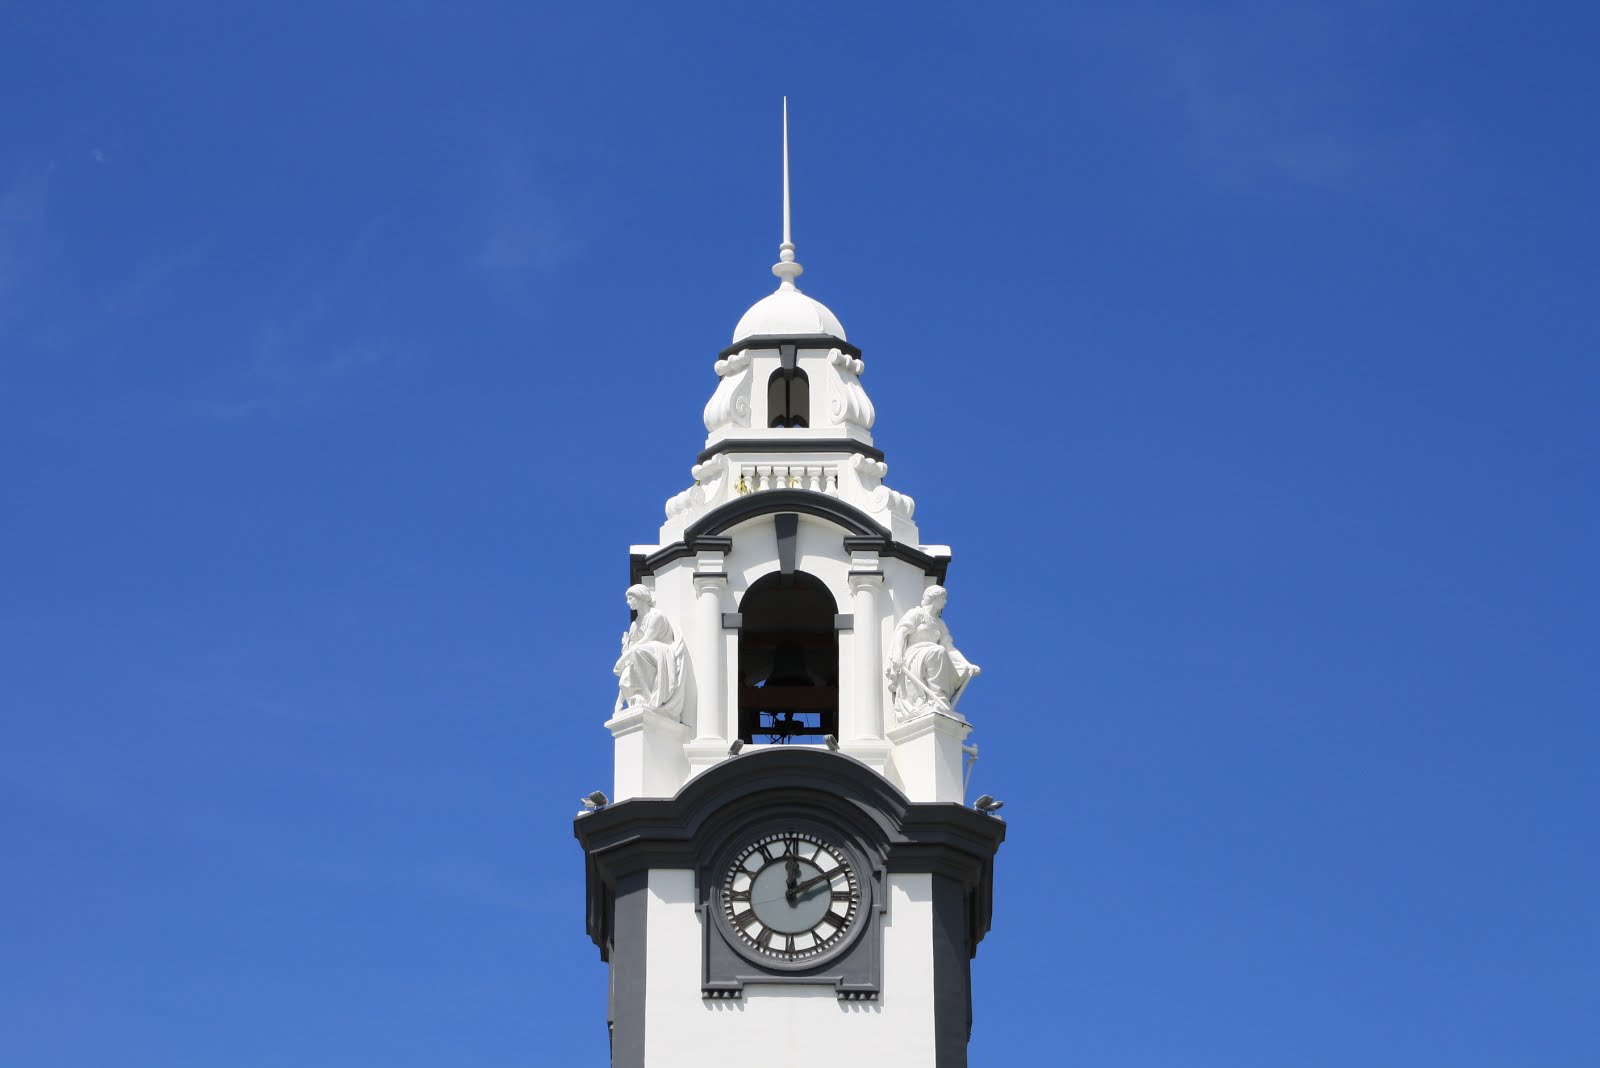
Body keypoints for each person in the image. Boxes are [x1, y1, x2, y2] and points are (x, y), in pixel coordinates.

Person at [885, 585, 980, 721]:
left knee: (960, 668)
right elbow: (901, 632)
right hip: (915, 654)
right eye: (943, 598)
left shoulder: (940, 623)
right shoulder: (917, 614)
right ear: (934, 598)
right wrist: (897, 654)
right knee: (938, 651)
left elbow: (949, 648)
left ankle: (938, 699)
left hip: (935, 655)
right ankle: (936, 697)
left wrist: (968, 664)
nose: (945, 602)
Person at [613, 584, 686, 720]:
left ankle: (645, 697)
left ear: (640, 597)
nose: (628, 602)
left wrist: (623, 659)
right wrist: (625, 650)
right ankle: (635, 701)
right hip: (642, 653)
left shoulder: (655, 616)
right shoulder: (635, 624)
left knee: (637, 651)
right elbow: (632, 647)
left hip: (662, 652)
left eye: (630, 598)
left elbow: (646, 640)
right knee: (625, 680)